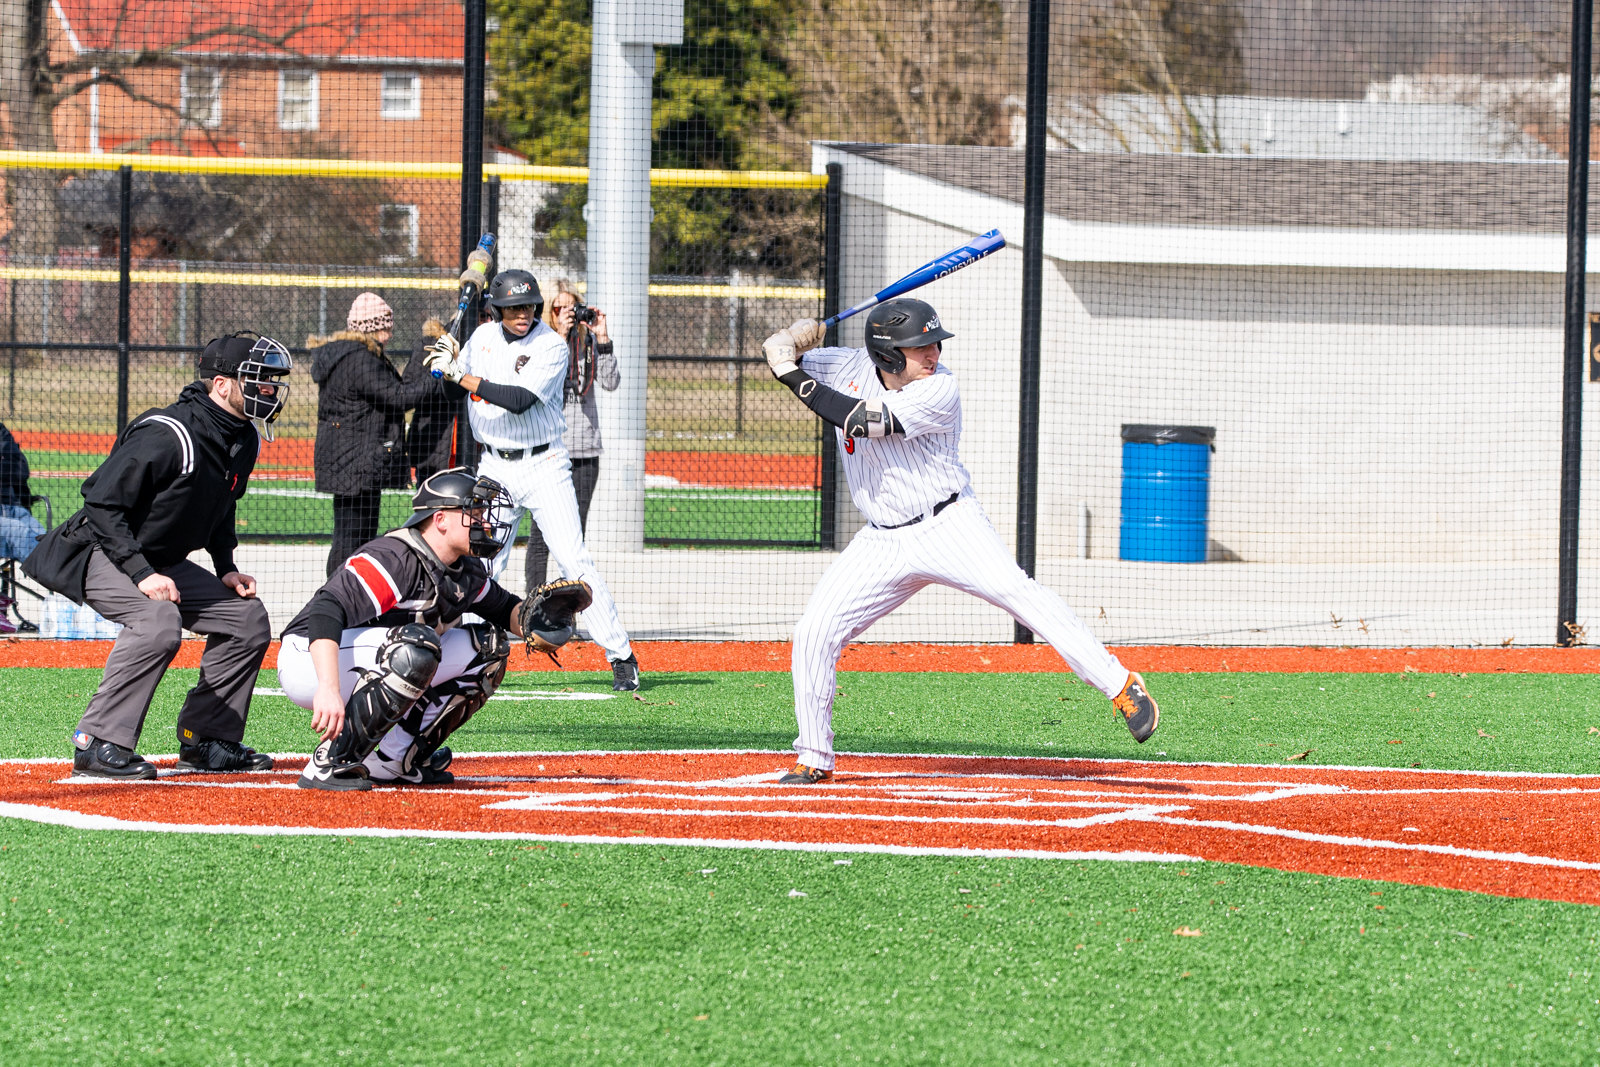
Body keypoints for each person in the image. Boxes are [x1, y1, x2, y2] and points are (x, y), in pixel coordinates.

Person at [761, 299, 1162, 785]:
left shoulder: (940, 389)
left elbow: (858, 418)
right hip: (881, 540)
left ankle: (1121, 686)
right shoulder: (846, 365)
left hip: (949, 525)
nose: (932, 352)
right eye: (918, 346)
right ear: (887, 355)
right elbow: (791, 358)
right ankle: (813, 756)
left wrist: (788, 367)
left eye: (933, 343)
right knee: (813, 632)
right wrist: (795, 341)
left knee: (1021, 594)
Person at [22, 333, 291, 779]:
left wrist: (225, 568)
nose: (268, 390)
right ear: (221, 385)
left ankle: (206, 740)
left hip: (155, 560)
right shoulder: (170, 433)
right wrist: (143, 573)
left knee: (246, 620)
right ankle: (97, 742)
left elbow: (224, 506)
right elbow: (101, 503)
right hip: (99, 549)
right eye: (258, 380)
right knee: (158, 621)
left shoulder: (242, 437)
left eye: (271, 382)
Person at [426, 270, 641, 692]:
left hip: (544, 464)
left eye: (527, 306)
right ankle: (464, 654)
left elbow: (519, 400)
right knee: (482, 562)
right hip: (494, 466)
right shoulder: (482, 339)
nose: (522, 314)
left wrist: (459, 374)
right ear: (497, 310)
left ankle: (621, 656)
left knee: (573, 559)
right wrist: (444, 363)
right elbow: (451, 394)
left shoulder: (550, 345)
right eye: (512, 308)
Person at [277, 468, 530, 791]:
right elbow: (327, 609)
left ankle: (392, 761)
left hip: (373, 654)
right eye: (474, 513)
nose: (485, 523)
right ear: (440, 520)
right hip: (308, 659)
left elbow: (506, 609)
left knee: (488, 649)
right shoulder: (395, 557)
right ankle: (331, 761)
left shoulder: (465, 568)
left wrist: (544, 620)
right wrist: (327, 686)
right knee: (416, 647)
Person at [310, 292, 444, 576]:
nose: (390, 333)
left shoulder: (356, 355)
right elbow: (397, 397)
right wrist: (437, 376)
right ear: (369, 328)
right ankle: (337, 598)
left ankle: (351, 596)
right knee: (351, 539)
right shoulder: (359, 359)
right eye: (384, 326)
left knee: (358, 537)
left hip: (354, 459)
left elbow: (395, 391)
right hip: (355, 461)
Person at [524, 280, 620, 588]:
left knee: (574, 537)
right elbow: (538, 383)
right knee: (540, 535)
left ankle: (569, 608)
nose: (566, 314)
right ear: (548, 313)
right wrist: (560, 337)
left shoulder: (588, 344)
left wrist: (602, 337)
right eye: (559, 308)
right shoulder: (539, 343)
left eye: (572, 308)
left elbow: (610, 381)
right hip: (550, 451)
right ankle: (533, 605)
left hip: (585, 451)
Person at [401, 315, 469, 484]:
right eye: (482, 315)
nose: (487, 321)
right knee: (432, 502)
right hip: (435, 442)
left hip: (473, 446)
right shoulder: (432, 343)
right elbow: (410, 387)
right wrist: (444, 373)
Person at [0, 420, 46, 634]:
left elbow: (20, 468)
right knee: (17, 532)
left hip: (13, 506)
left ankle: (71, 588)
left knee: (45, 538)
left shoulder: (0, 430)